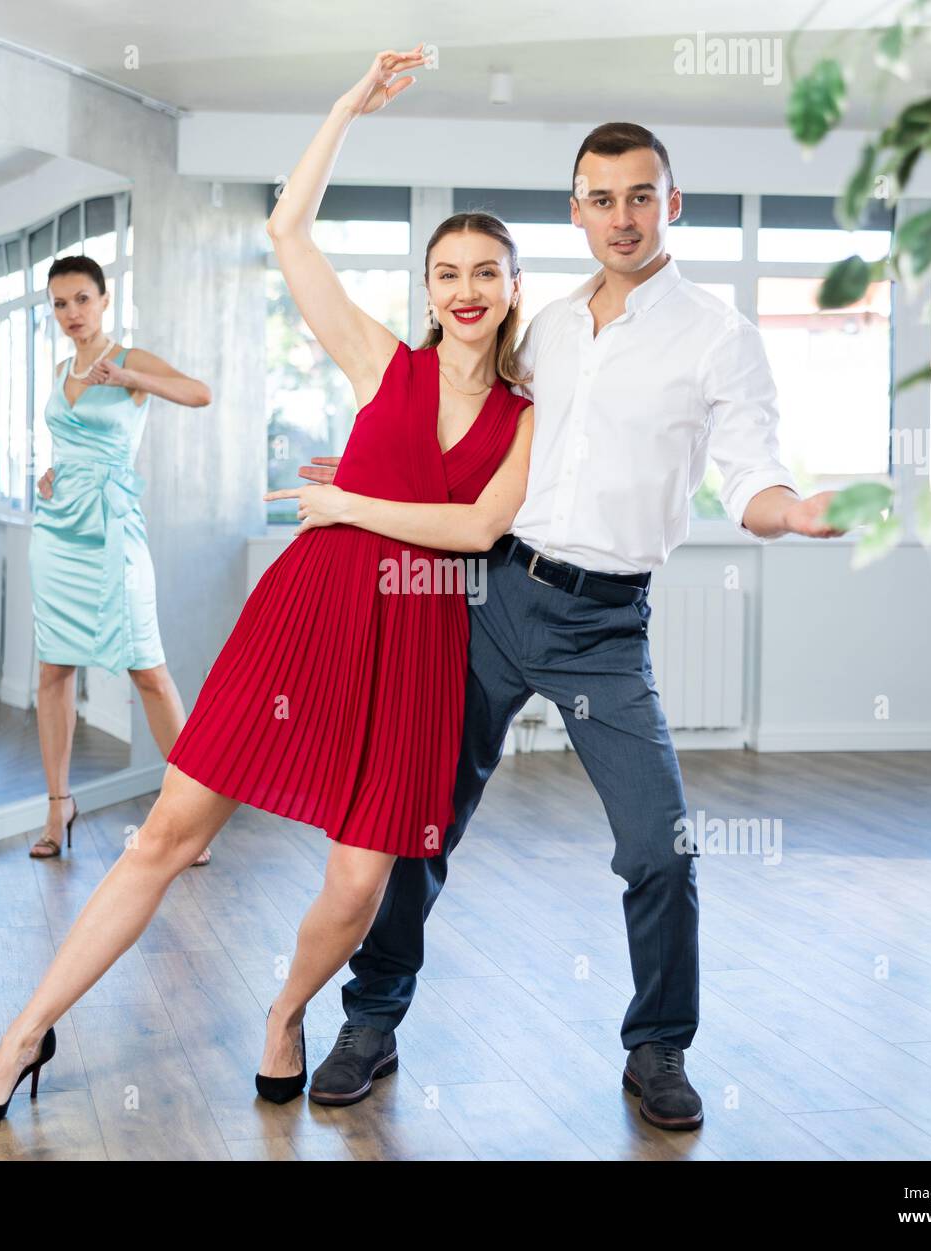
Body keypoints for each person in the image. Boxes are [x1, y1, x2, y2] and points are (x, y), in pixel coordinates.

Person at [0, 42, 536, 1129]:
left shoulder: (527, 413)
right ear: (427, 288)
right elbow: (285, 230)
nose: (464, 291)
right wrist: (352, 99)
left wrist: (348, 500)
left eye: (485, 274)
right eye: (446, 273)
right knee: (167, 836)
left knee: (359, 886)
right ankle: (22, 1033)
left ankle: (286, 1012)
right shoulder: (378, 362)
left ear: (510, 290)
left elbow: (478, 525)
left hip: (416, 648)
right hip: (308, 622)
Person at [304, 121, 846, 1130]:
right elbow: (462, 428)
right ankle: (370, 1021)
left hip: (601, 628)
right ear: (576, 212)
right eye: (600, 199)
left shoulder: (719, 337)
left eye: (640, 196)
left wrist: (795, 511)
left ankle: (658, 1047)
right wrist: (363, 479)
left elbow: (750, 475)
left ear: (671, 204)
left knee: (659, 847)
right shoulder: (544, 327)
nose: (621, 217)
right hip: (492, 598)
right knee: (415, 828)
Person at [27, 255, 213, 866]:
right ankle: (58, 806)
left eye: (81, 299)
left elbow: (198, 392)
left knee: (148, 671)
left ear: (105, 301)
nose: (71, 314)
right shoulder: (58, 370)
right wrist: (51, 475)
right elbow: (67, 442)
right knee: (54, 670)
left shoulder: (130, 362)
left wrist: (132, 382)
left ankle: (190, 817)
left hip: (114, 531)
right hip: (57, 536)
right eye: (59, 303)